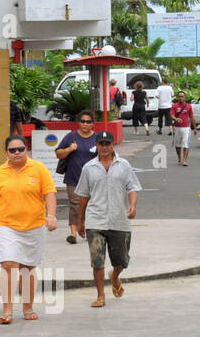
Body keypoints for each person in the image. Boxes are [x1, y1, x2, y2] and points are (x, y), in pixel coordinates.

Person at [0, 135, 57, 323]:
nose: (17, 153)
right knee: (8, 265)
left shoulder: (39, 169)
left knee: (28, 268)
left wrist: (51, 216)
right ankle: (7, 310)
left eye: (20, 149)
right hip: (6, 226)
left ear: (26, 149)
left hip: (34, 227)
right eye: (12, 150)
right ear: (6, 153)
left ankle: (28, 308)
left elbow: (50, 194)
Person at [74, 131, 141, 308]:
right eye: (101, 144)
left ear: (113, 145)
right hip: (95, 220)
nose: (104, 147)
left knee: (122, 261)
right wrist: (80, 221)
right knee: (97, 260)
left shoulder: (124, 165)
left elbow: (132, 188)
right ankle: (100, 295)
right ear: (96, 146)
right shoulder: (89, 168)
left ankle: (115, 276)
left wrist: (132, 205)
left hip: (120, 220)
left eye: (107, 144)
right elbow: (83, 196)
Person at [56, 112, 99, 245]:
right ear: (78, 122)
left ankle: (88, 231)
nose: (85, 124)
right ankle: (73, 234)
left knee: (90, 206)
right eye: (83, 121)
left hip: (93, 179)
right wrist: (70, 149)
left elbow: (106, 154)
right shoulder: (71, 137)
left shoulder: (97, 138)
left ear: (93, 123)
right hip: (73, 177)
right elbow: (59, 154)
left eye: (88, 121)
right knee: (75, 205)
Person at [170, 90, 194, 166]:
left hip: (186, 128)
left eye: (182, 96)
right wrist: (176, 119)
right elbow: (172, 115)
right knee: (177, 145)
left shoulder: (189, 106)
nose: (181, 98)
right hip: (177, 128)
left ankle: (184, 160)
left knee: (186, 144)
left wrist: (195, 128)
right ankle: (179, 158)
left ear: (184, 97)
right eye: (179, 96)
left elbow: (191, 117)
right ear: (177, 97)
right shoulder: (174, 106)